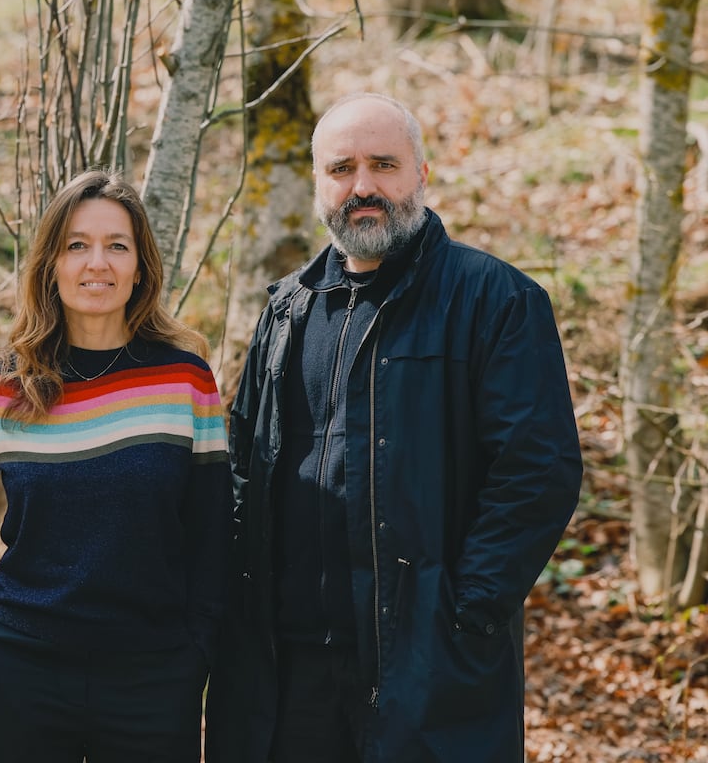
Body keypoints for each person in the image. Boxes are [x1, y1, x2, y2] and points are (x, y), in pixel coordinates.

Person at [205, 93, 584, 763]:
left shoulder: (495, 300)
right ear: (319, 181)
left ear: (422, 173)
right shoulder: (287, 310)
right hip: (285, 672)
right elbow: (244, 461)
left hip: (424, 664)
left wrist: (468, 613)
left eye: (384, 164)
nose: (364, 187)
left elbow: (538, 472)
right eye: (342, 168)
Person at [0, 168, 232, 763]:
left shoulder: (184, 380)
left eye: (117, 246)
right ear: (51, 265)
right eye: (77, 245)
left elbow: (214, 535)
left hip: (153, 677)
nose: (98, 263)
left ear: (141, 266)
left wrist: (197, 649)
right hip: (22, 673)